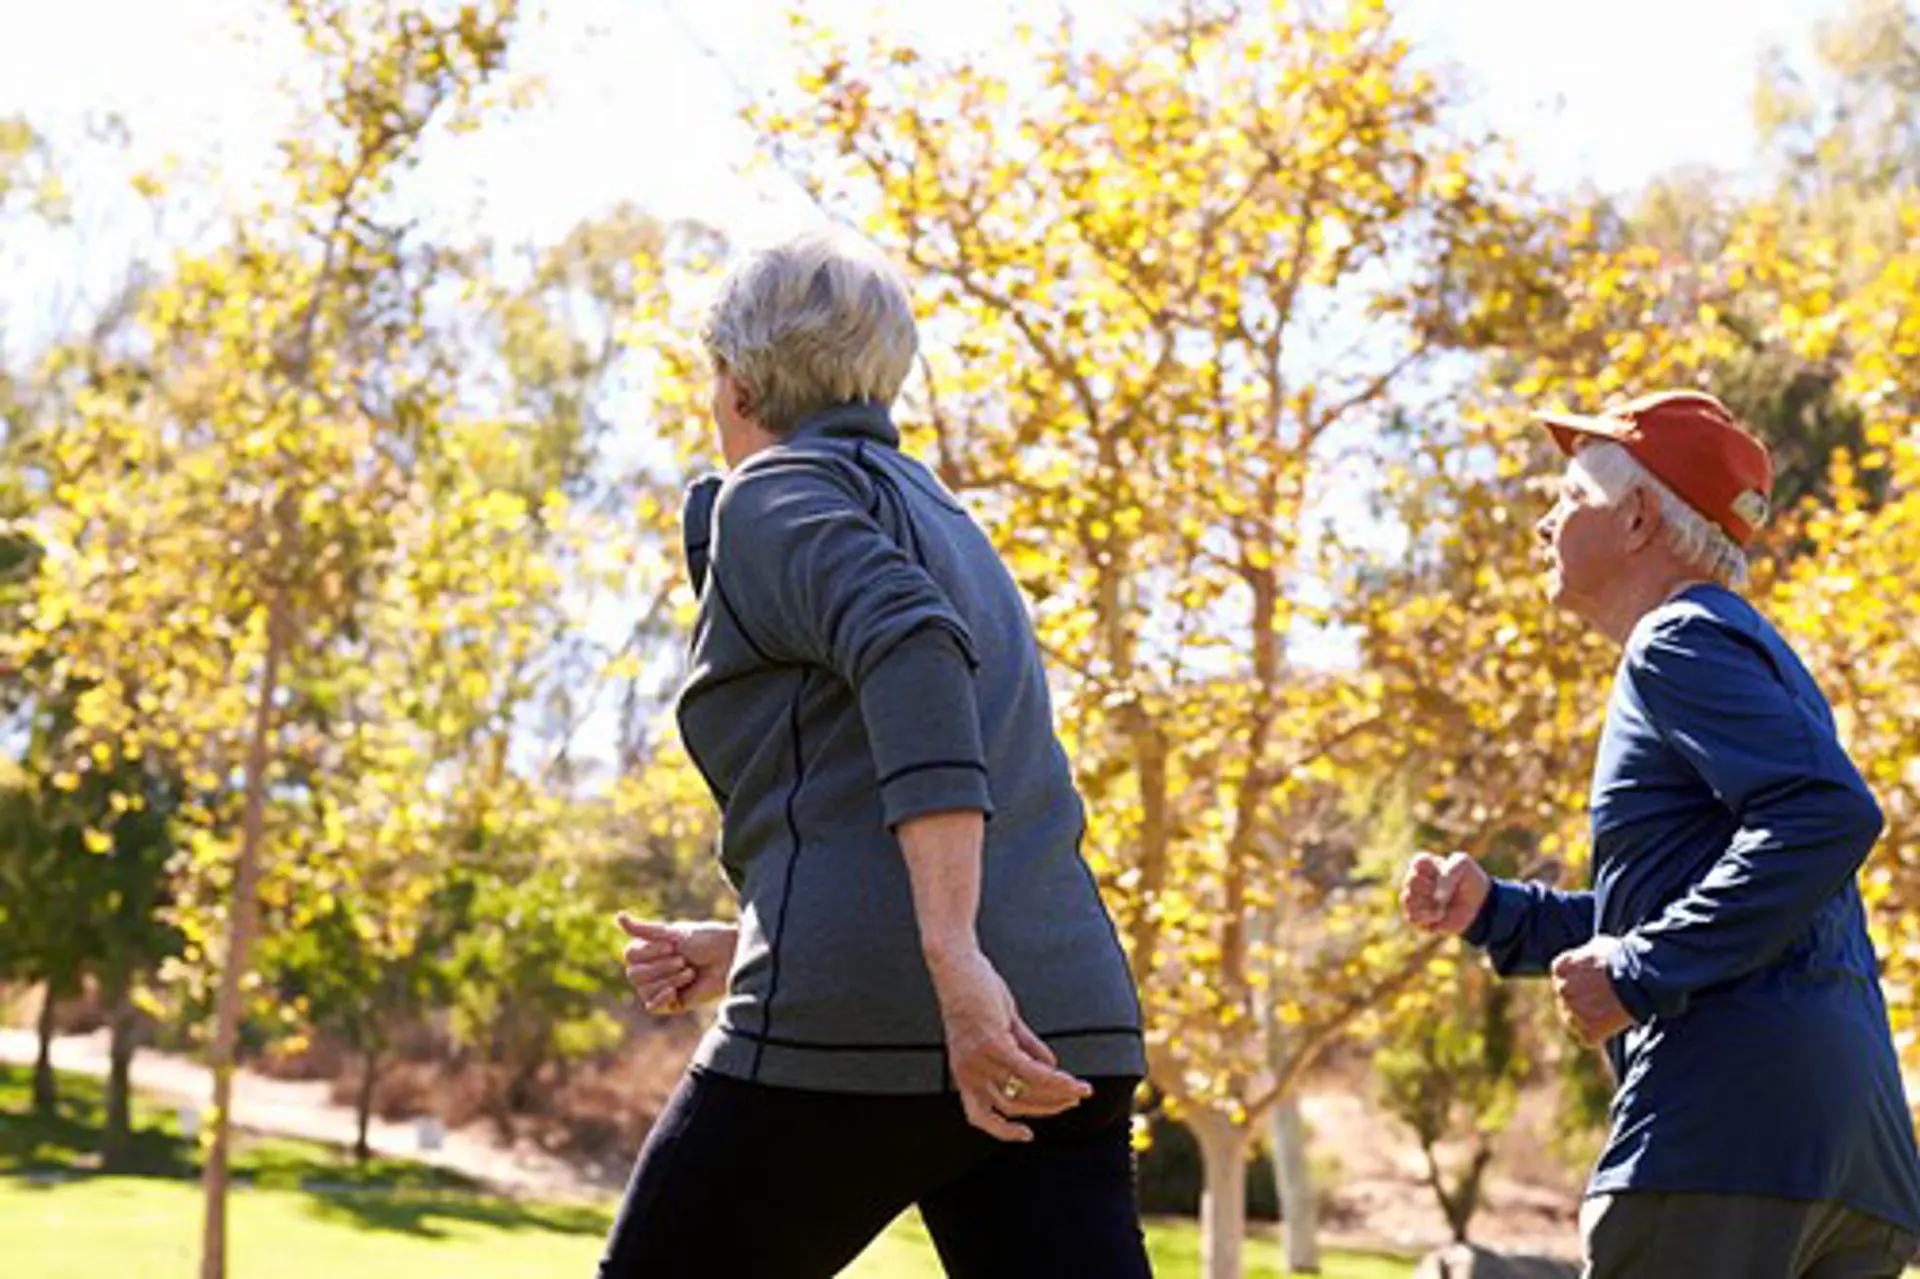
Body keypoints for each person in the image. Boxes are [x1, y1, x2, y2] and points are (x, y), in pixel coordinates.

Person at [597, 229, 1151, 1279]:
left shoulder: (770, 491)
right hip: (1066, 1020)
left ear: (739, 381)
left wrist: (953, 958)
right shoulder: (948, 516)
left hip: (881, 1026)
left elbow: (907, 645)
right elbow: (881, 763)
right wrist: (764, 934)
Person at [1399, 390, 1920, 1278]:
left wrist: (1641, 972)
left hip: (1722, 1145)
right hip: (1853, 1170)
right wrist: (1503, 913)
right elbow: (1718, 894)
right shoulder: (1755, 655)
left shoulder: (1675, 641)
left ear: (1638, 517)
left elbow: (1826, 816)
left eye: (1566, 500)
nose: (1543, 526)